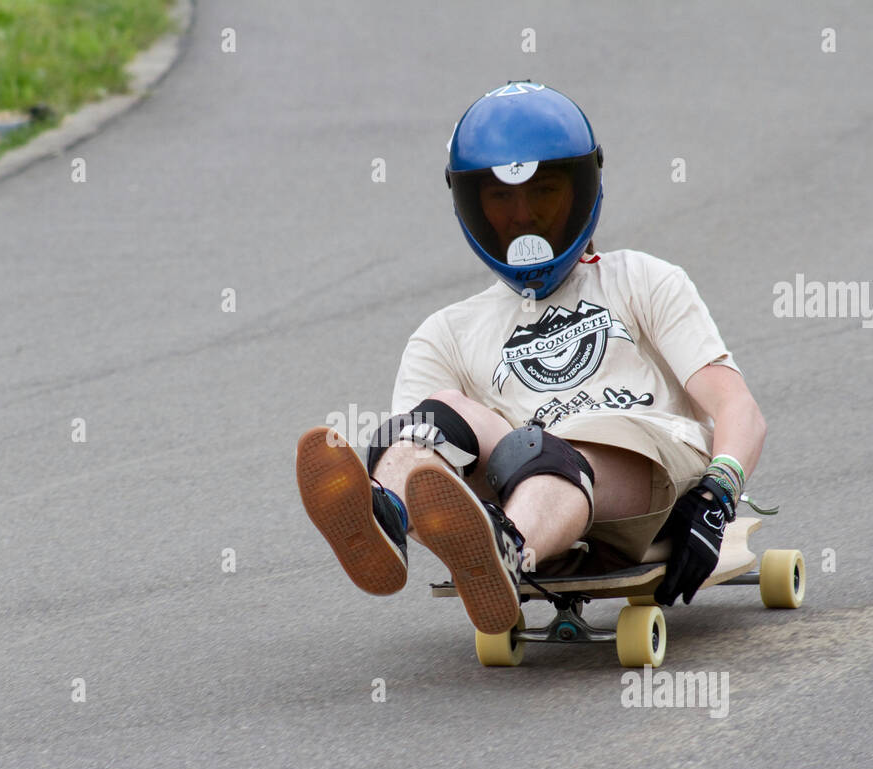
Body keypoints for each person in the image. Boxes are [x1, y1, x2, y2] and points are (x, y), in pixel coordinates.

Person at [295, 81, 765, 636]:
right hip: (526, 476)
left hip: (647, 467)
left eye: (542, 191)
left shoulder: (642, 279)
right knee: (433, 420)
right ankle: (389, 517)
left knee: (551, 453)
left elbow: (738, 408)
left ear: (580, 189)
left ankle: (507, 546)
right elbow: (436, 478)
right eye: (501, 197)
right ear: (473, 206)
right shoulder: (445, 333)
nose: (522, 215)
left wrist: (718, 494)